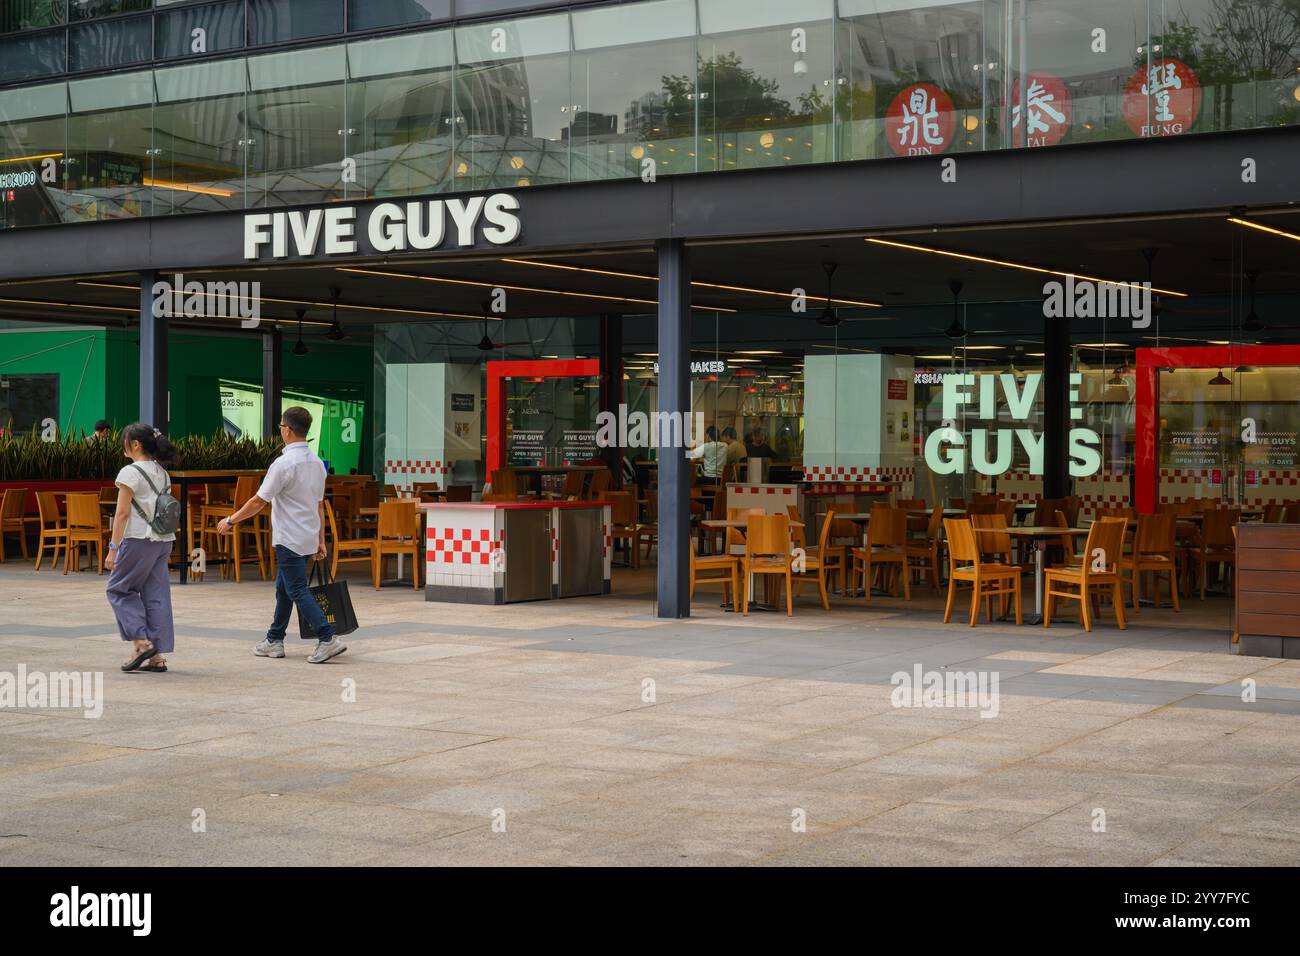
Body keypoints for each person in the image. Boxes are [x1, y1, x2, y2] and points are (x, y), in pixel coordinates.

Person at [217, 406, 346, 664]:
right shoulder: (317, 464)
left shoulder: (283, 464)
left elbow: (258, 501)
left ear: (287, 430)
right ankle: (274, 639)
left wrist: (231, 520)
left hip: (288, 537)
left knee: (296, 589)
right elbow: (319, 505)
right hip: (308, 536)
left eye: (280, 427)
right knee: (284, 589)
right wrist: (321, 540)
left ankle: (327, 637)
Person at [106, 423, 177, 673]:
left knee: (118, 589)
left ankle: (141, 642)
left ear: (135, 444)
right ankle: (156, 657)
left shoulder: (130, 472)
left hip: (138, 539)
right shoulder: (162, 472)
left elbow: (122, 513)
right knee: (155, 594)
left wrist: (113, 547)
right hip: (163, 540)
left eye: (124, 440)